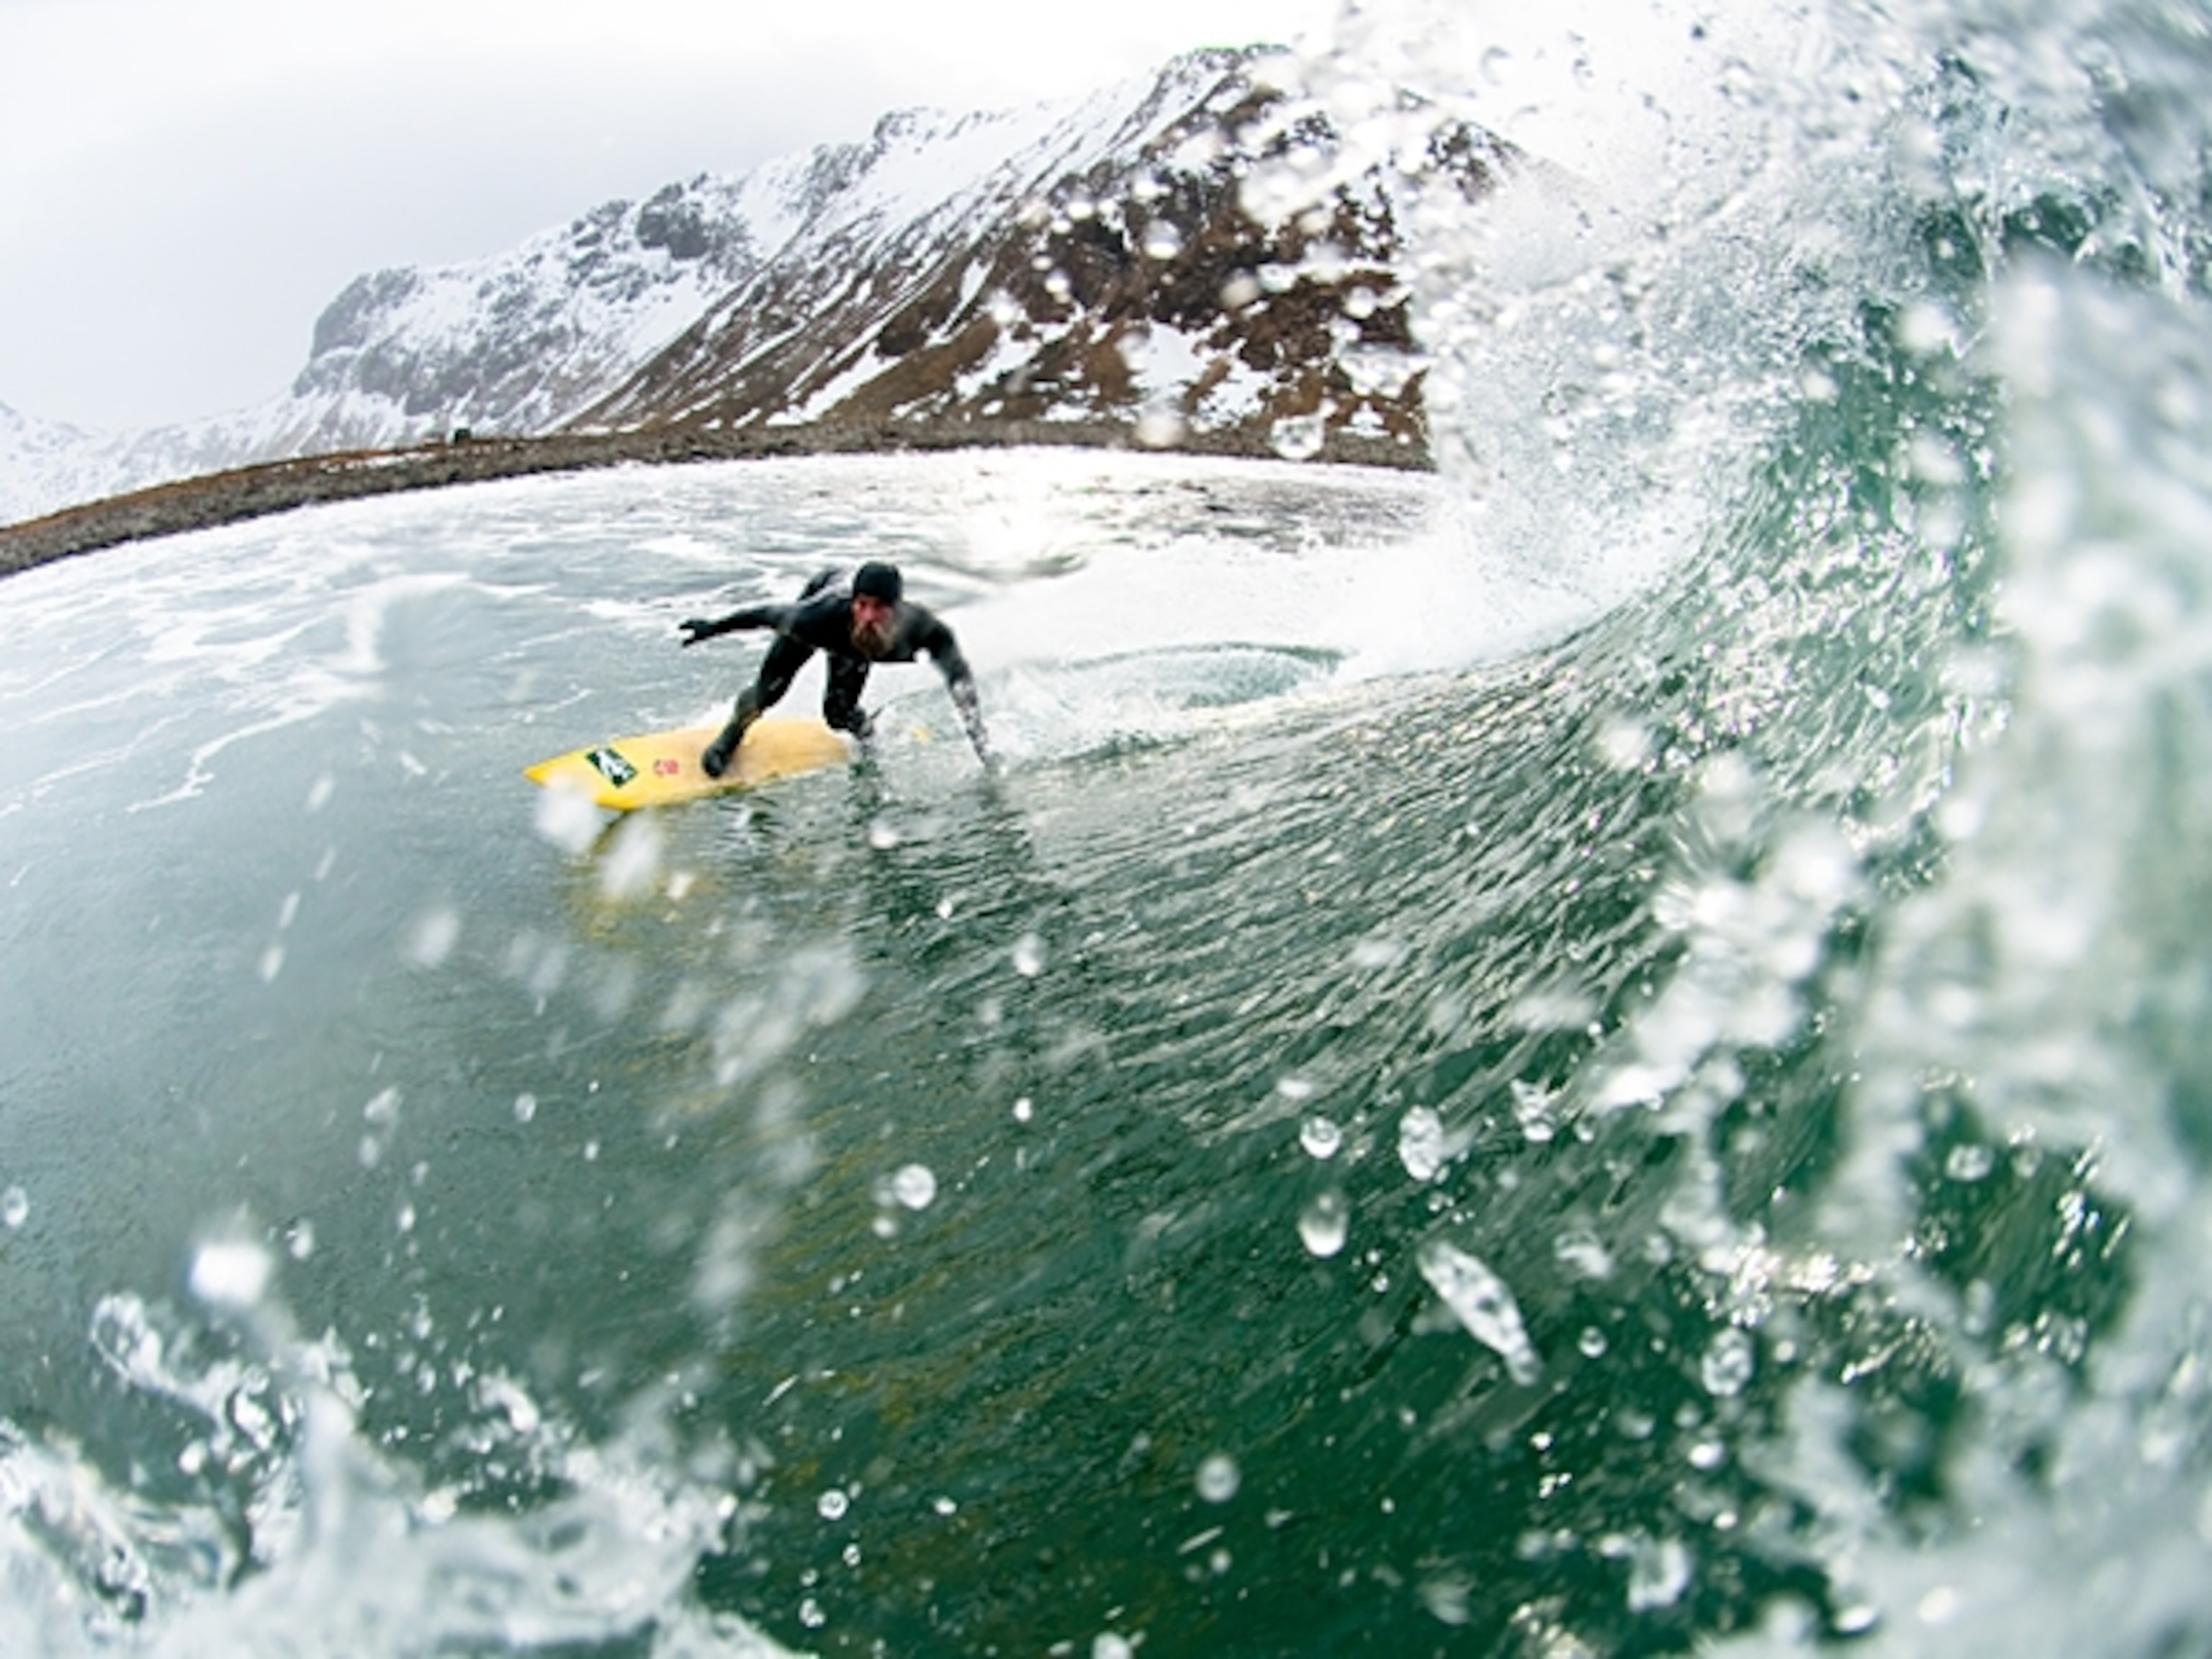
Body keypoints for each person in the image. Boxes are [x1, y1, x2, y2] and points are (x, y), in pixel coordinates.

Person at [679, 561, 994, 776]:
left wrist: (980, 741)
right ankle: (728, 739)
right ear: (854, 603)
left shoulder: (925, 629)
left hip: (851, 646)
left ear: (896, 609)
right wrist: (712, 628)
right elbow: (761, 615)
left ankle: (866, 730)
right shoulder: (814, 618)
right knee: (768, 694)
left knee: (838, 714)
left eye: (880, 608)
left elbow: (959, 680)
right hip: (827, 608)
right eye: (862, 605)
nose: (869, 616)